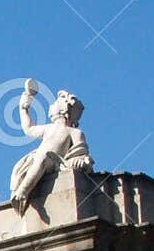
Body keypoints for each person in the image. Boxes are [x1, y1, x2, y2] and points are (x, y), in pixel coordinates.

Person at [9, 83, 92, 214]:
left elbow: (80, 153)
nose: (51, 106)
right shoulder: (48, 128)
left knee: (42, 160)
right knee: (21, 166)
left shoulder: (75, 132)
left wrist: (80, 161)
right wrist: (24, 108)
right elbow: (28, 128)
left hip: (54, 160)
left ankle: (23, 192)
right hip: (37, 156)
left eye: (55, 104)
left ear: (63, 109)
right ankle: (20, 191)